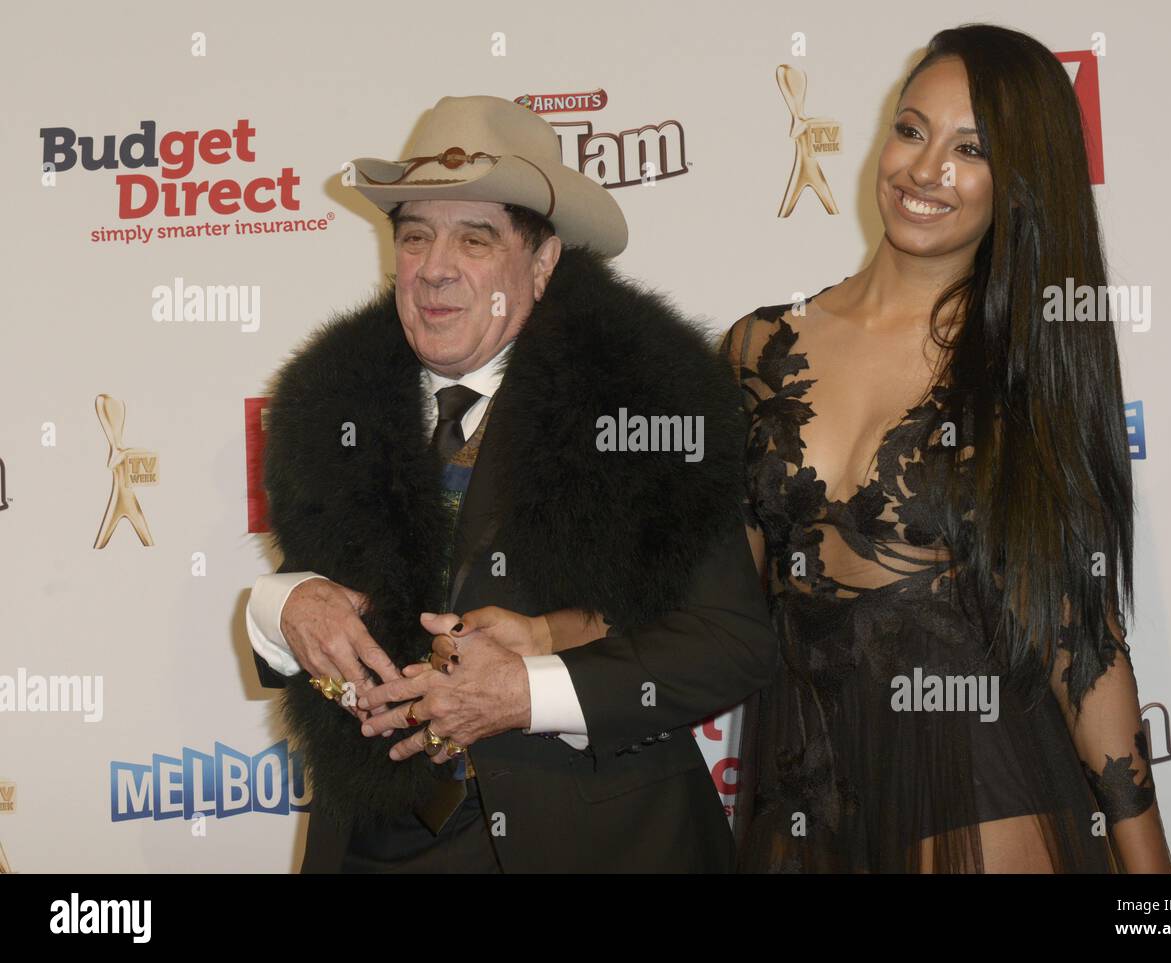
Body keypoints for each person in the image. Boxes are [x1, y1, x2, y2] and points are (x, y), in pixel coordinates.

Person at [244, 95, 777, 873]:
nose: (435, 269)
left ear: (543, 261)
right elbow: (326, 619)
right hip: (378, 846)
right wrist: (276, 605)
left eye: (475, 237)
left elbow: (731, 642)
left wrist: (531, 692)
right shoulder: (329, 414)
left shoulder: (641, 404)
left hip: (603, 844)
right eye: (417, 235)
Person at [720, 25, 1171, 872]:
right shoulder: (757, 349)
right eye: (910, 129)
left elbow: (1080, 629)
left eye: (971, 148)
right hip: (804, 790)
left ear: (1020, 181)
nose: (924, 170)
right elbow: (712, 603)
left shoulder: (1028, 367)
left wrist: (1154, 877)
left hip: (985, 788)